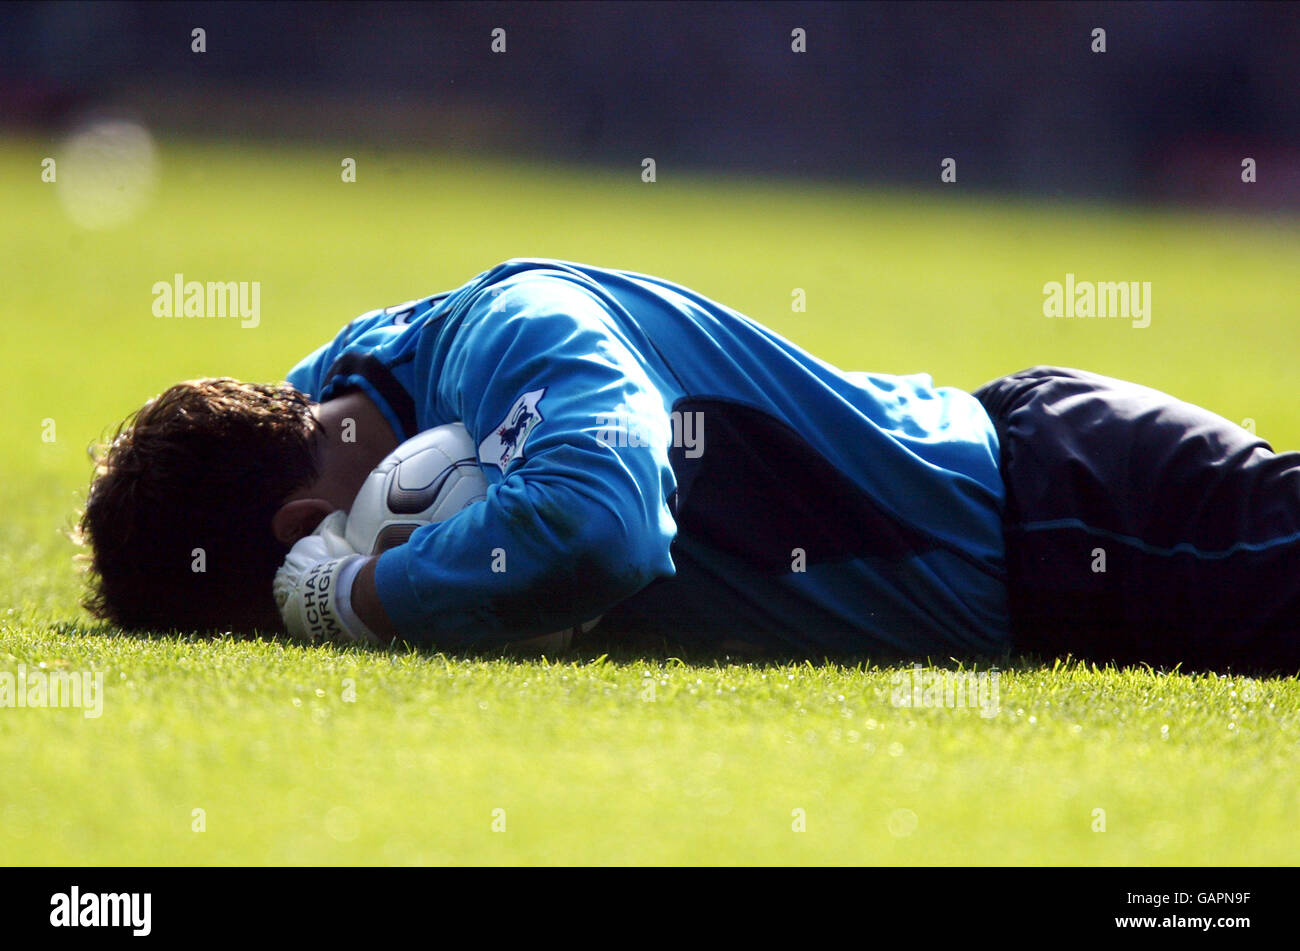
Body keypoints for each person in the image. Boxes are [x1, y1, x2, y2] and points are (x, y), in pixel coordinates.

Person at [79, 258, 1300, 671]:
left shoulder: (523, 327)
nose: (306, 636)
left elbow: (598, 528)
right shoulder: (345, 396)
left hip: (1087, 514)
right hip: (1041, 549)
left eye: (279, 617)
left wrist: (354, 598)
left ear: (304, 525)